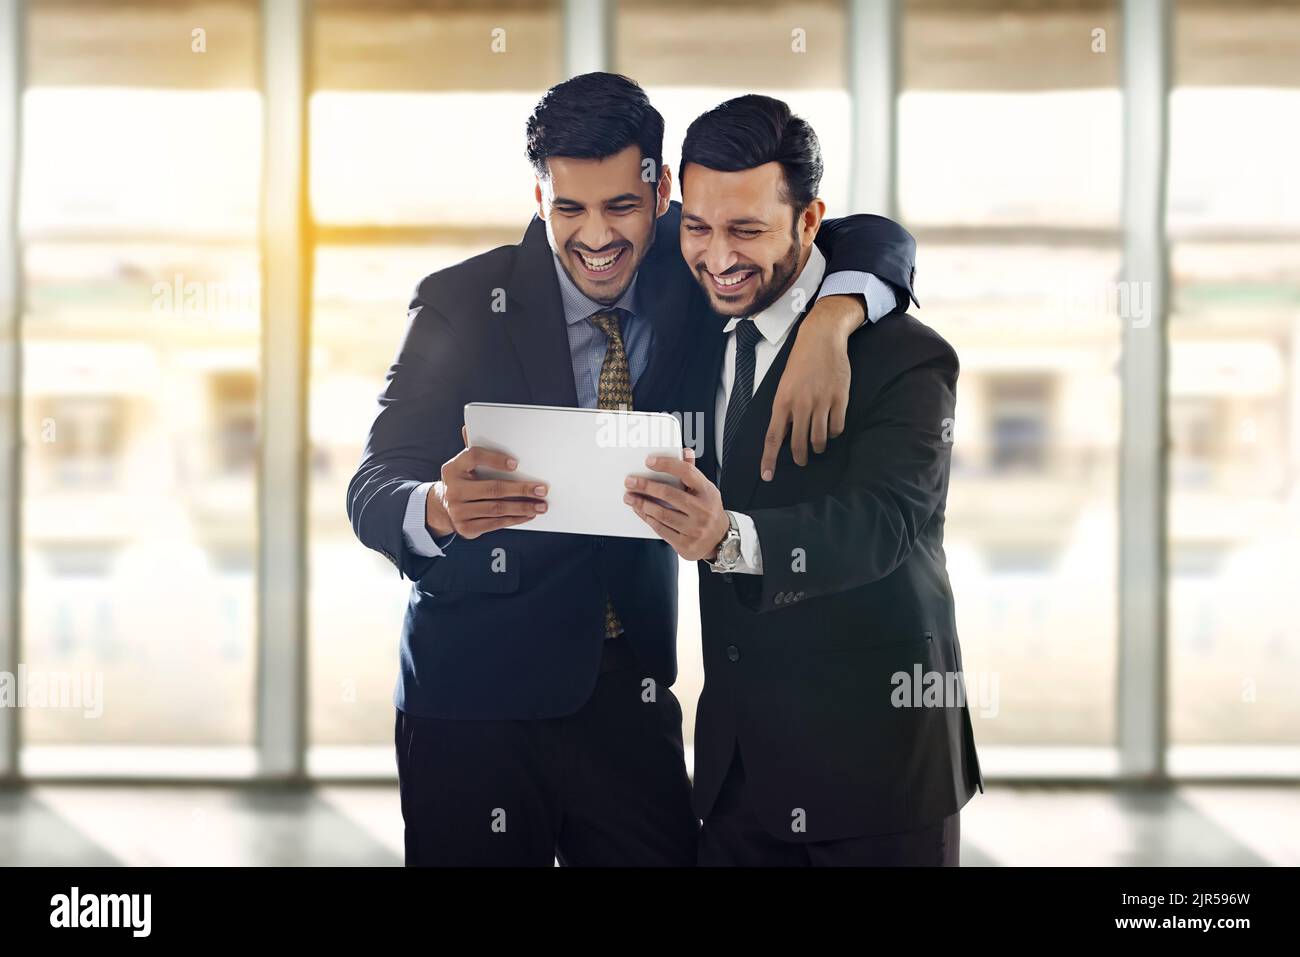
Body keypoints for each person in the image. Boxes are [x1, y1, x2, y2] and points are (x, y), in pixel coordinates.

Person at [347, 74, 918, 866]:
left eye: (621, 206)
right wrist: (438, 505)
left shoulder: (697, 262)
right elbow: (374, 484)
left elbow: (868, 238)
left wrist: (833, 316)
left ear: (661, 192)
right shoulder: (461, 303)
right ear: (540, 199)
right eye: (570, 208)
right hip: (474, 699)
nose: (597, 236)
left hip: (632, 696)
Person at [625, 94, 981, 866]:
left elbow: (882, 523)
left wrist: (729, 538)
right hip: (736, 775)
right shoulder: (696, 317)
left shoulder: (905, 356)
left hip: (878, 775)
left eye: (747, 230)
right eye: (698, 227)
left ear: (810, 220)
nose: (717, 256)